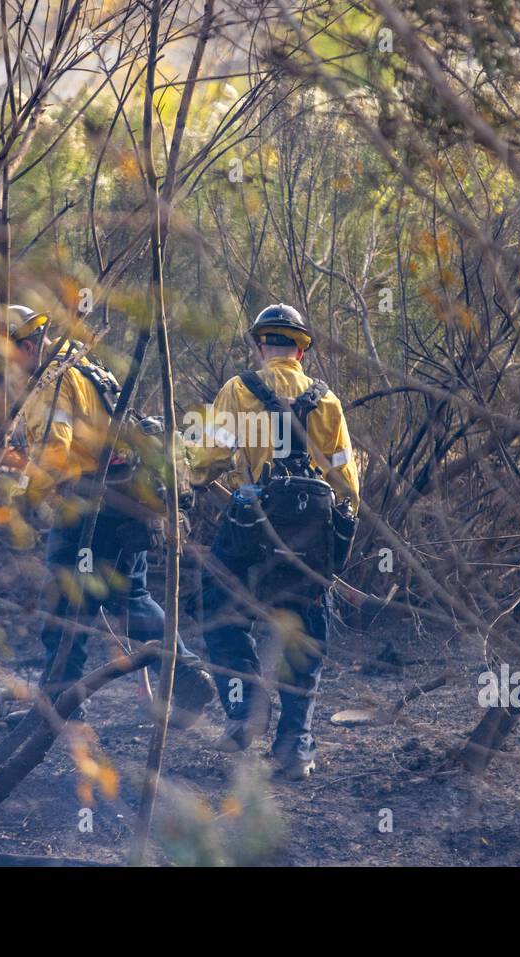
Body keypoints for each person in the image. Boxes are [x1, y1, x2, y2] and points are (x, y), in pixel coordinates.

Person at [0, 304, 216, 726]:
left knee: (63, 604)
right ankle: (188, 672)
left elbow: (55, 452)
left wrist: (24, 497)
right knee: (132, 599)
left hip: (88, 509)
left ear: (25, 346)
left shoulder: (51, 381)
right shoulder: (84, 366)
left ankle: (57, 706)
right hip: (125, 500)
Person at [185, 303, 359, 780]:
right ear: (301, 349)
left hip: (251, 528)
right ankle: (295, 748)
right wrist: (336, 542)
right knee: (306, 632)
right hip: (310, 536)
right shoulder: (328, 402)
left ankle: (242, 712)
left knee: (218, 608)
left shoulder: (238, 390)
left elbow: (209, 459)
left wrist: (190, 472)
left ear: (262, 345)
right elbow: (346, 479)